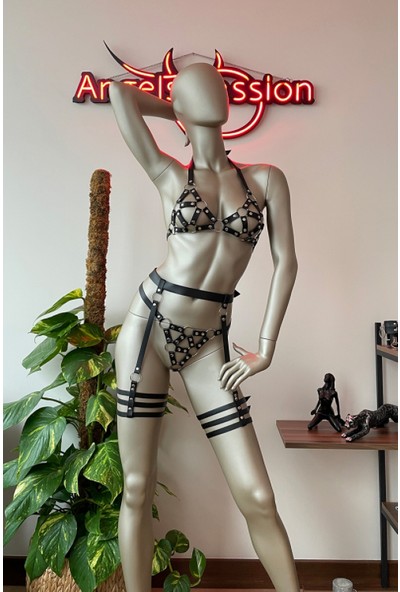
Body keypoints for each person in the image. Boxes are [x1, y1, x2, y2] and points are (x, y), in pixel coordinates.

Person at [109, 62, 299, 592]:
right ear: (183, 104)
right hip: (149, 327)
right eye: (198, 87)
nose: (214, 88)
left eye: (216, 83)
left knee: (258, 496)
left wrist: (265, 348)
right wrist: (175, 107)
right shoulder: (169, 175)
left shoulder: (266, 179)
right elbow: (120, 93)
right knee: (136, 486)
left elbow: (286, 262)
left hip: (210, 344)